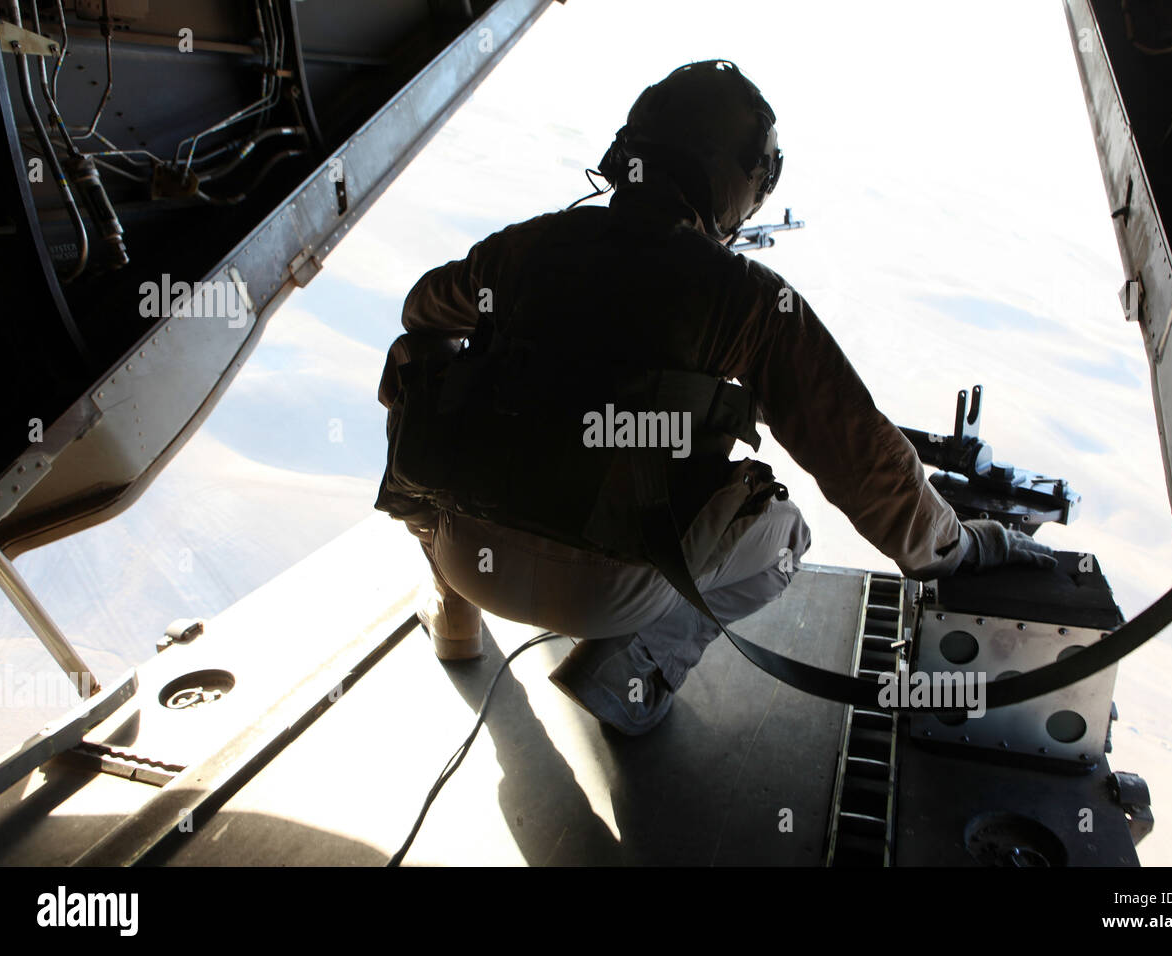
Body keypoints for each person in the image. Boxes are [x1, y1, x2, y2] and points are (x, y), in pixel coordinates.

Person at [375, 60, 1054, 735]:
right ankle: (628, 670)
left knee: (421, 359)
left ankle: (451, 608)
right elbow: (858, 455)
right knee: (787, 532)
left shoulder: (524, 248)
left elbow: (421, 315)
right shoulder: (745, 299)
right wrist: (956, 550)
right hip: (613, 596)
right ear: (737, 176)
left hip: (467, 552)